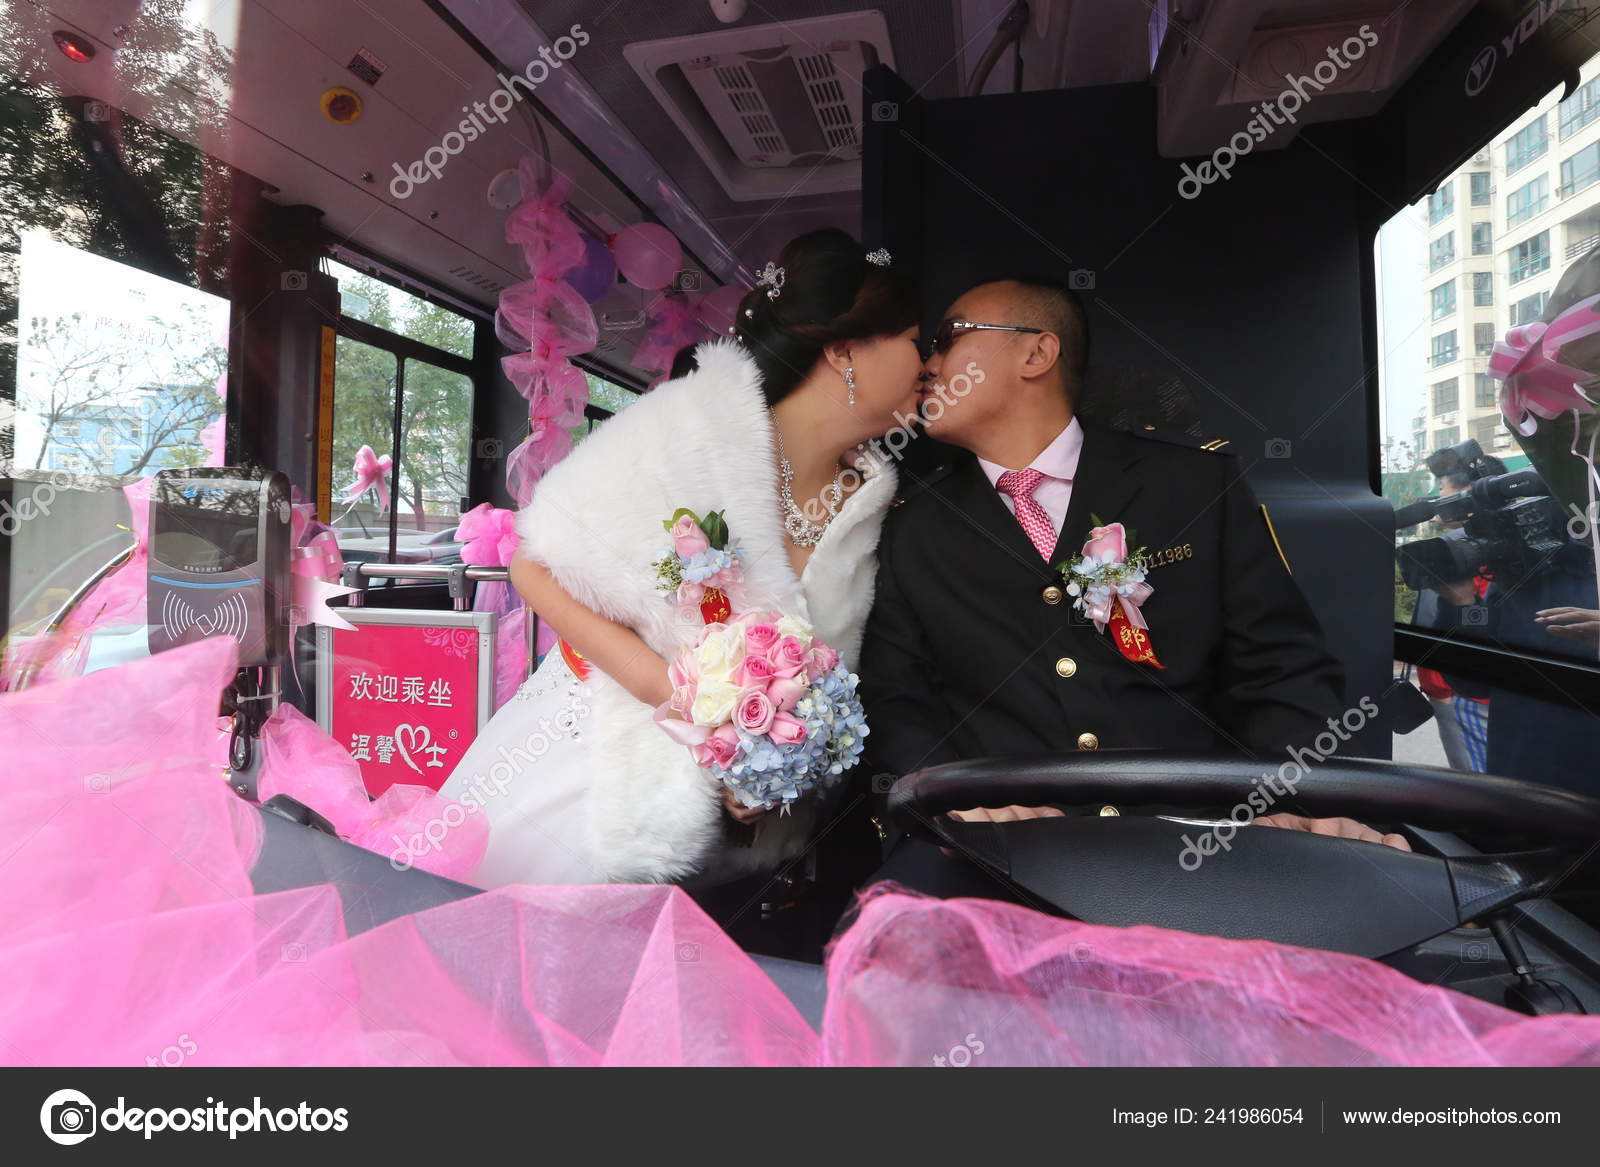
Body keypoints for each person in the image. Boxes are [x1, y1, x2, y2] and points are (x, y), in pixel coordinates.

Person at [858, 274, 1407, 901]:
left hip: (1200, 841)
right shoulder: (911, 524)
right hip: (1003, 851)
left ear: (1035, 354)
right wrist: (955, 800)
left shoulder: (1193, 486)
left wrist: (1292, 798)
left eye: (949, 339)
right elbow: (897, 697)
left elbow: (1281, 669)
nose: (928, 365)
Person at [439, 229, 922, 916]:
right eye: (911, 338)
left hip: (731, 846)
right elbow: (535, 561)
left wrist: (767, 761)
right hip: (590, 768)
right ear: (845, 350)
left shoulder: (873, 500)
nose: (930, 364)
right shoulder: (687, 425)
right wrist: (683, 699)